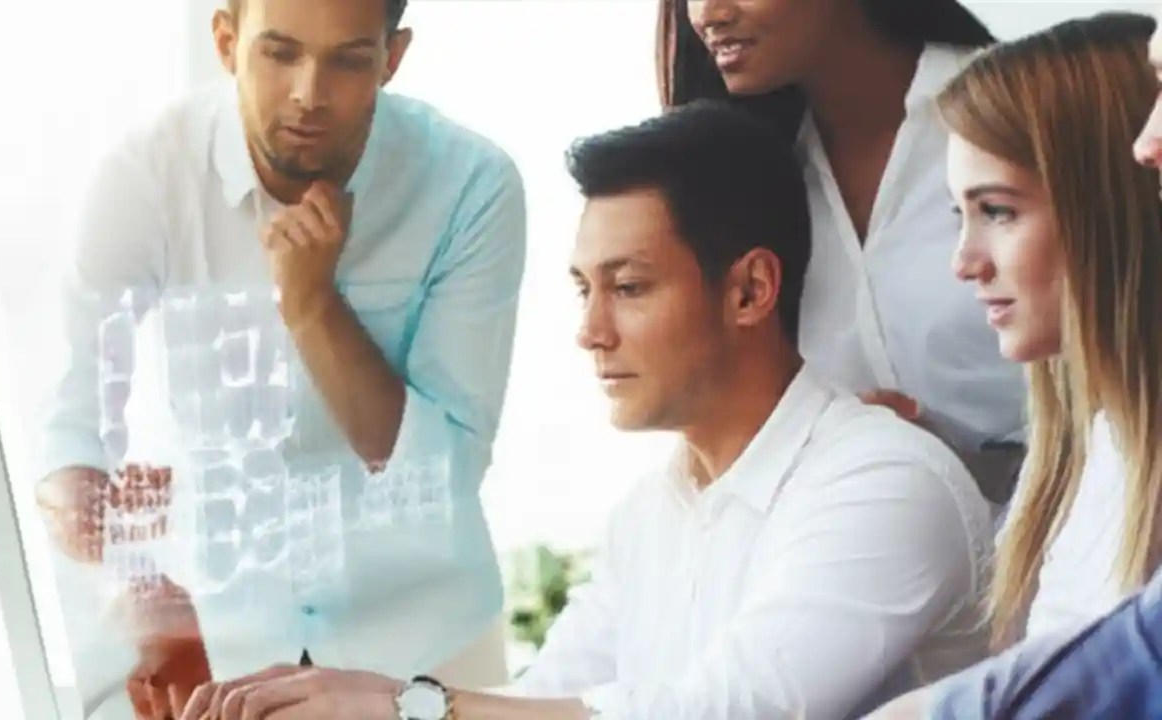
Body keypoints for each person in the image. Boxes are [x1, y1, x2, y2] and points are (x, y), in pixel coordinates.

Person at [174, 98, 994, 720]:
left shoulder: (884, 481)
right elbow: (552, 698)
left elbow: (723, 712)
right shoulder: (653, 514)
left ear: (750, 289)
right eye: (583, 289)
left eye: (629, 288)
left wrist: (403, 706)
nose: (591, 333)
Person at [31, 0, 526, 716]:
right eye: (280, 53)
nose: (308, 94)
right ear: (227, 41)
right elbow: (69, 434)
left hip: (427, 652)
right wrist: (143, 591)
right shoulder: (146, 177)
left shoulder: (472, 185)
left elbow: (442, 474)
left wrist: (312, 305)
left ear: (393, 56)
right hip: (220, 660)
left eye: (349, 60)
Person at [864, 10, 1162, 718]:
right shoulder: (1085, 451)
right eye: (958, 215)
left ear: (1109, 204)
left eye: (997, 210)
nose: (964, 262)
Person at [658, 0, 1027, 510]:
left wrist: (953, 469)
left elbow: (1130, 377)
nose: (707, 13)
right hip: (856, 563)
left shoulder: (1024, 114)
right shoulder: (747, 182)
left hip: (1074, 564)